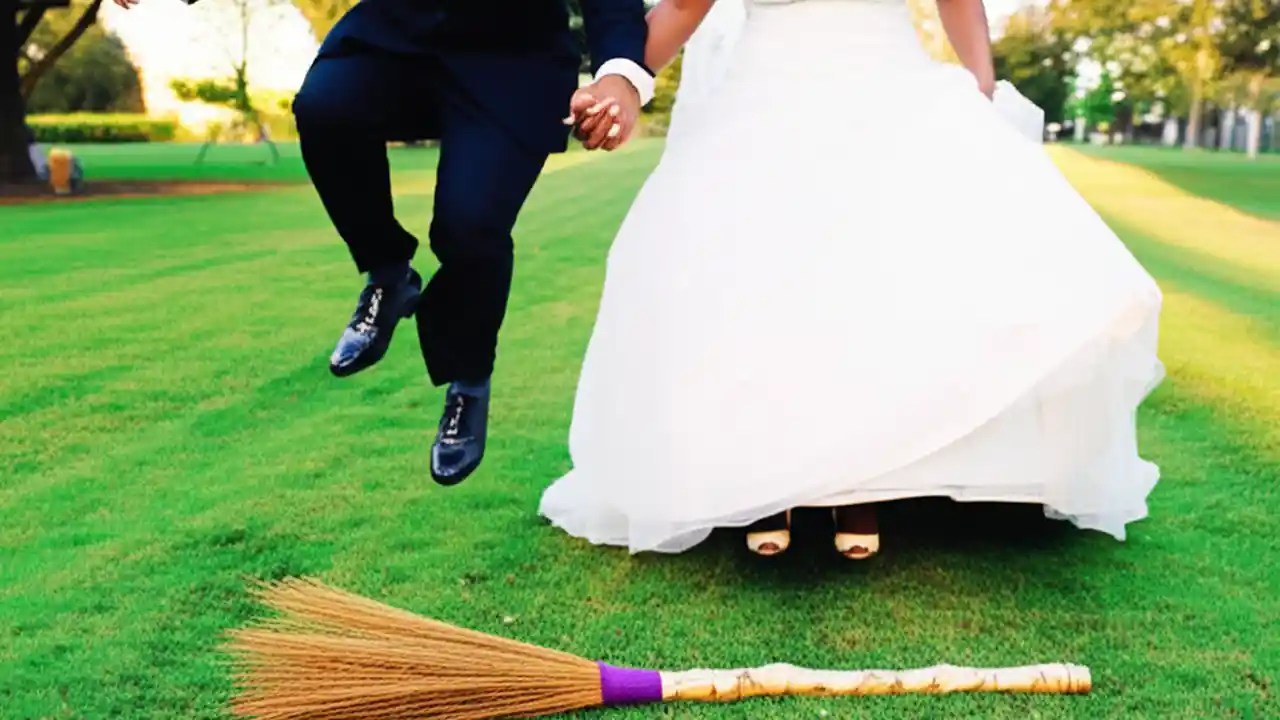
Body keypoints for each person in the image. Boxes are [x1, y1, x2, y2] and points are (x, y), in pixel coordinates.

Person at [543, 0, 1165, 558]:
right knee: (762, 280)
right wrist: (621, 80)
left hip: (887, 85)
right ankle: (764, 481)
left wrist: (981, 83)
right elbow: (685, 6)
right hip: (766, 95)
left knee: (874, 283)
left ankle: (859, 483)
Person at [112, 0, 654, 484]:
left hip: (513, 60)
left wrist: (621, 75)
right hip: (398, 34)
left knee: (468, 226)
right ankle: (389, 275)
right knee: (326, 107)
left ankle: (468, 381)